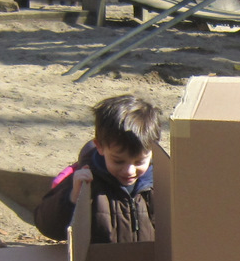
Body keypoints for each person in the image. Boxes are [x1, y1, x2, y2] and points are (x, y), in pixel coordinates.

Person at [33, 95, 160, 243]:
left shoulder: (160, 182)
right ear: (100, 147)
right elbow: (48, 227)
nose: (129, 171)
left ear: (154, 150)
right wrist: (73, 198)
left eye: (139, 162)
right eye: (118, 161)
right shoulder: (88, 181)